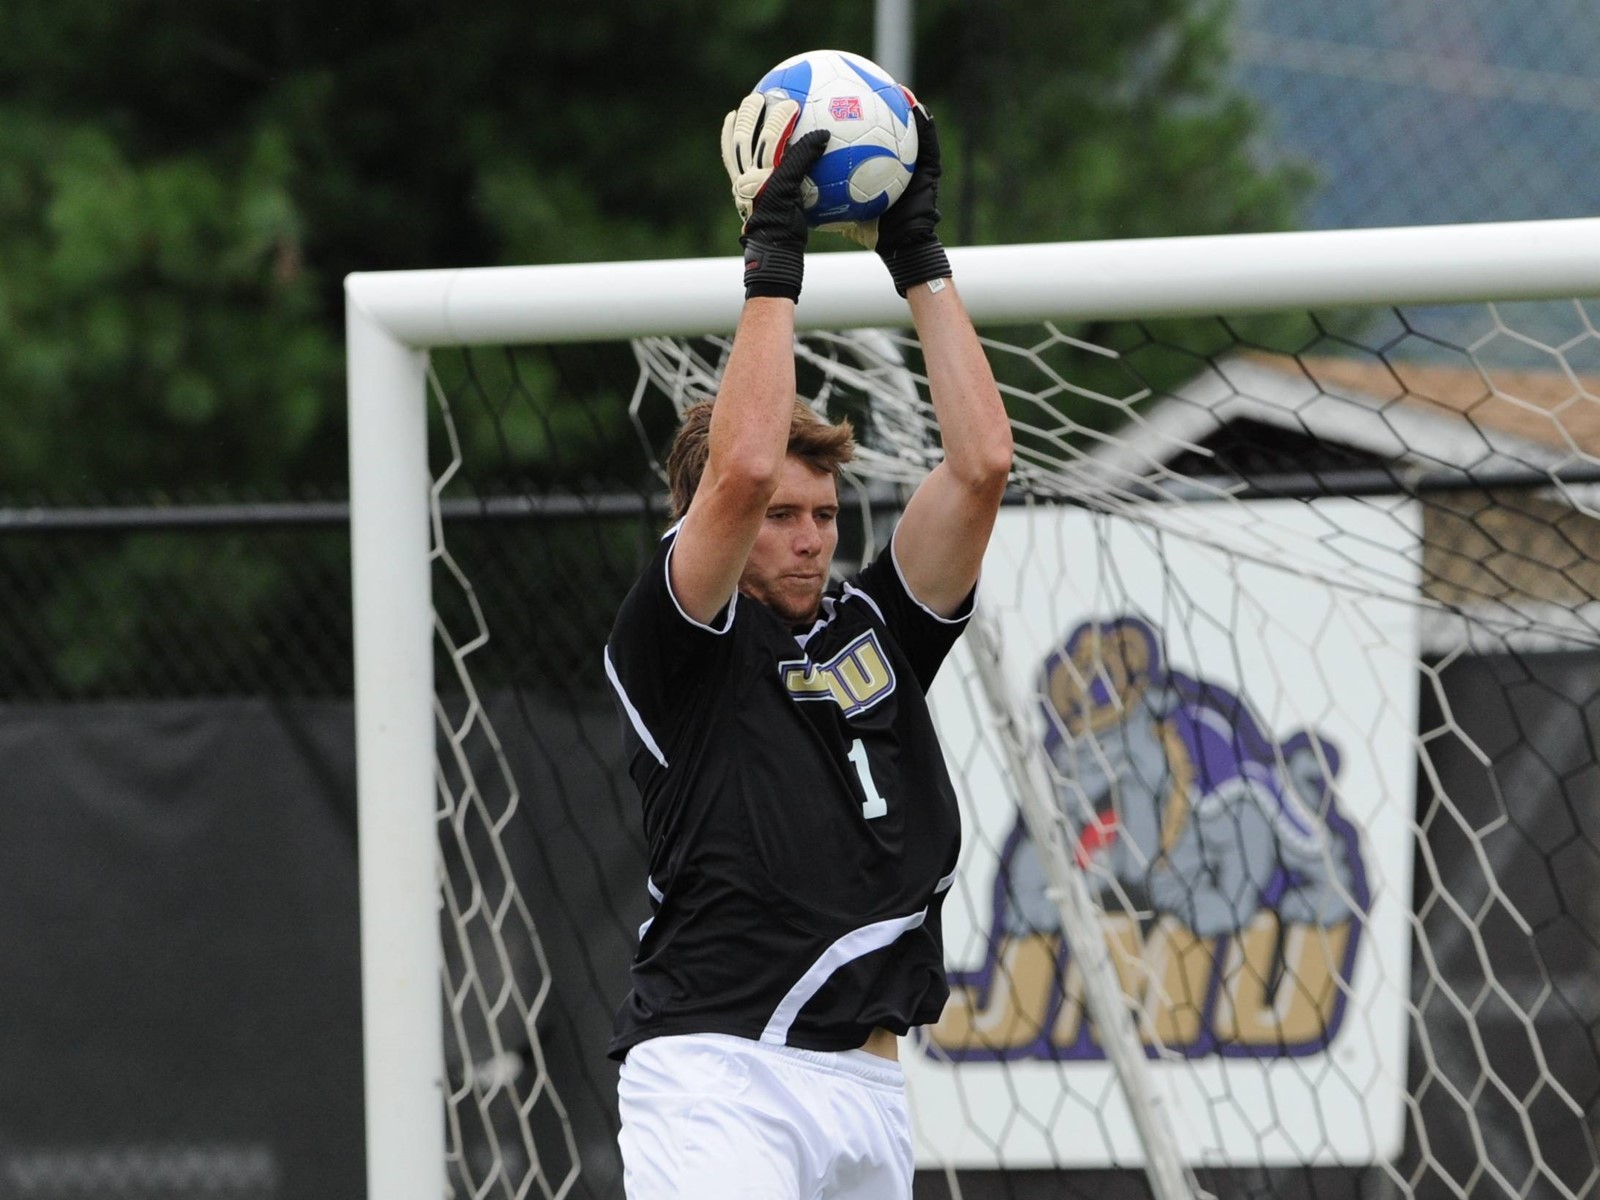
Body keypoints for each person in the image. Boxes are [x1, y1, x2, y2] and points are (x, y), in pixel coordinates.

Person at [603, 87, 1012, 1199]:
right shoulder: (679, 640)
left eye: (824, 516)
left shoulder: (872, 627)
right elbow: (734, 471)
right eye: (781, 517)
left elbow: (980, 470)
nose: (807, 538)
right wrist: (771, 262)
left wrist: (917, 257)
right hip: (720, 1072)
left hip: (869, 1091)